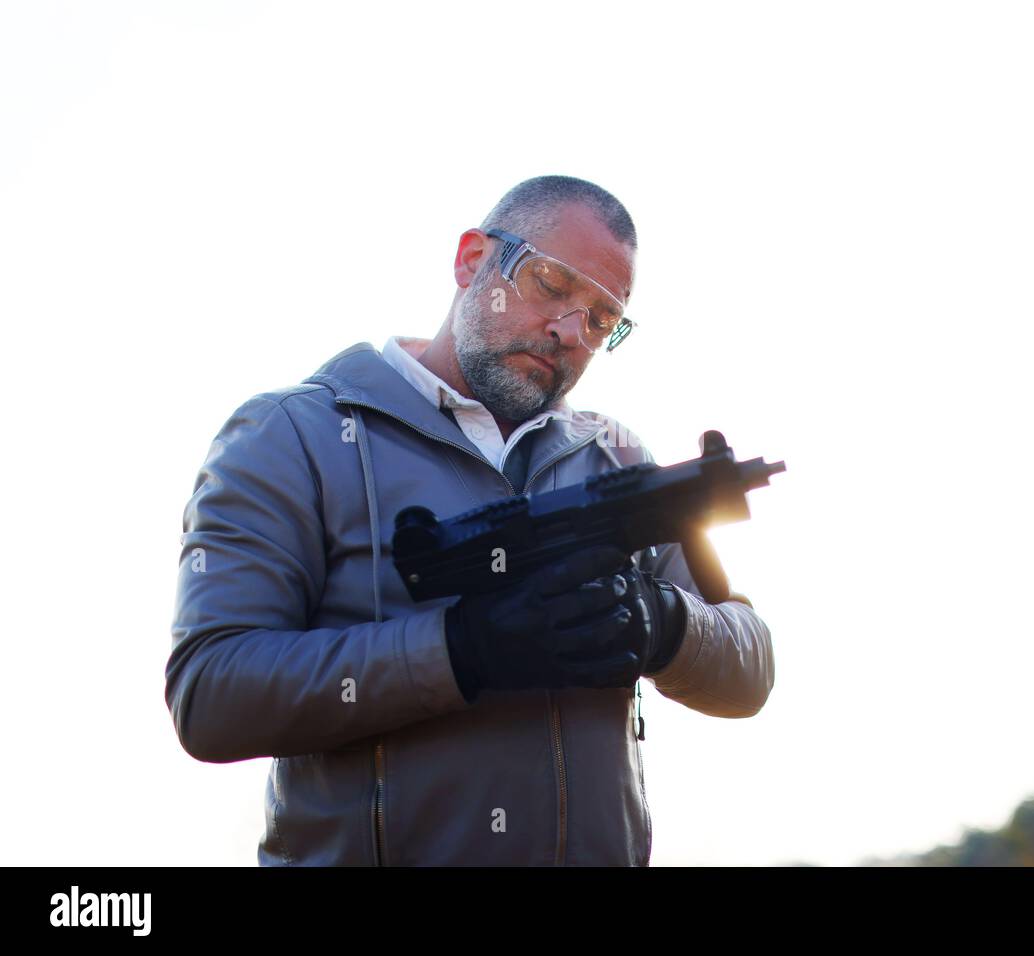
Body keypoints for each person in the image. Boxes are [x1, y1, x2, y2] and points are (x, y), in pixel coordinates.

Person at [166, 175, 775, 866]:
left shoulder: (615, 457)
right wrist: (461, 649)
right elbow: (210, 694)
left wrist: (663, 624)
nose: (570, 333)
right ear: (471, 260)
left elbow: (750, 670)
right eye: (551, 282)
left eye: (603, 320)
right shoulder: (292, 435)